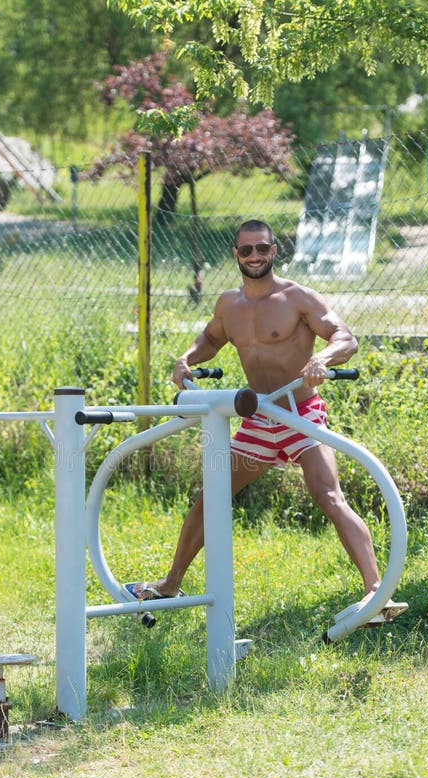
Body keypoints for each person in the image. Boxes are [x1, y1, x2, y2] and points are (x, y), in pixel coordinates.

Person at [129, 219, 406, 625]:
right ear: (236, 255)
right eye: (247, 250)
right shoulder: (229, 304)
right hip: (258, 415)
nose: (255, 256)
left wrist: (322, 360)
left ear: (274, 251)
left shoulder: (297, 298)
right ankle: (170, 585)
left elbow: (345, 337)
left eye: (262, 248)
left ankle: (375, 595)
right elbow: (210, 339)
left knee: (329, 496)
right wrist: (186, 358)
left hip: (299, 413)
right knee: (211, 498)